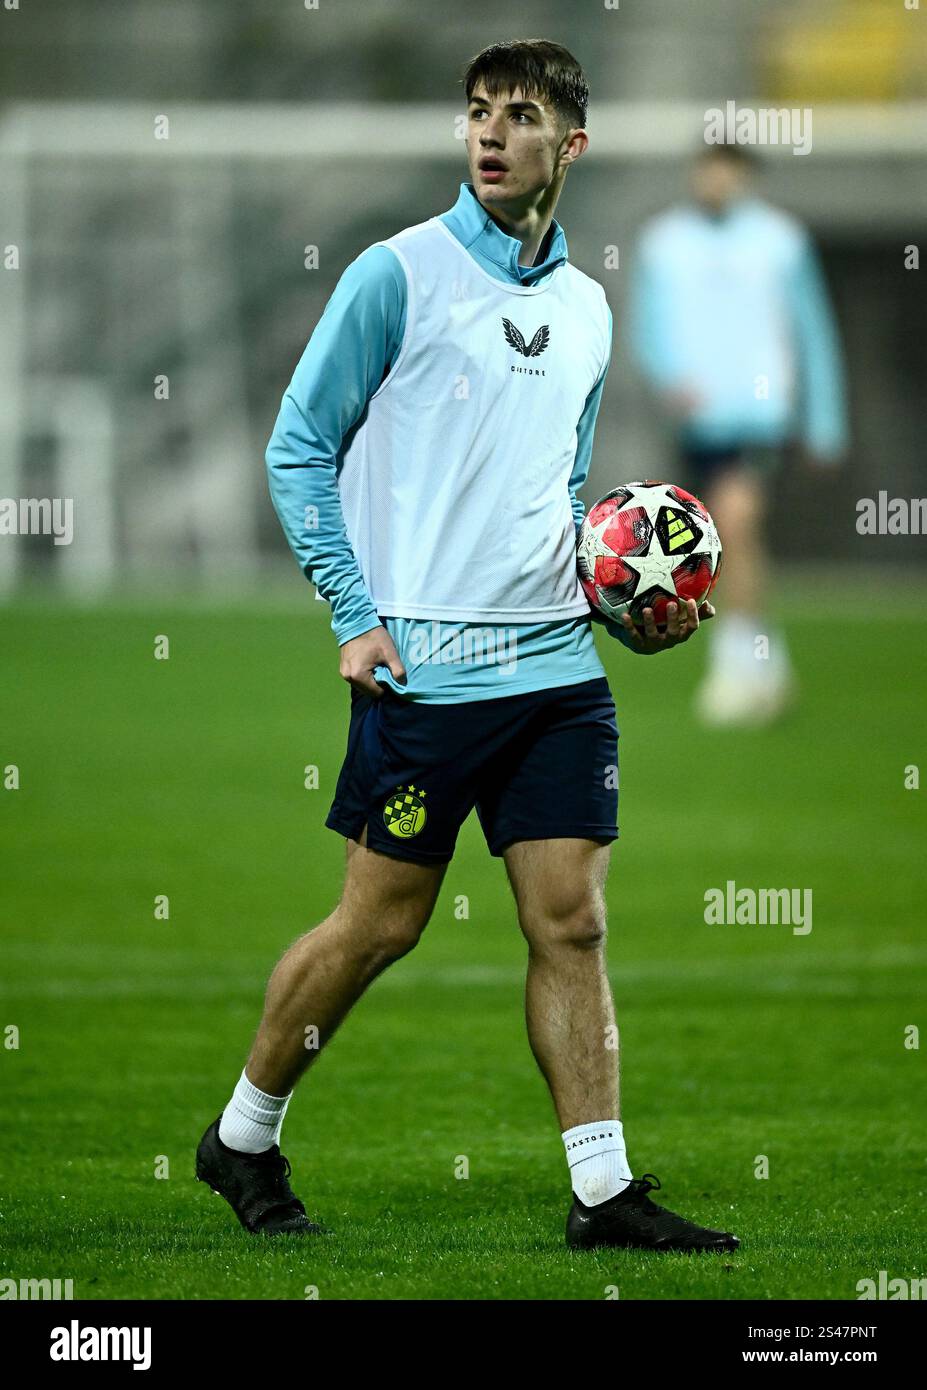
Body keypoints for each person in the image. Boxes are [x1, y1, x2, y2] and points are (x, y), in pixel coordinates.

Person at [195, 39, 736, 1254]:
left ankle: (603, 1193)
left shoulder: (591, 309)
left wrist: (630, 606)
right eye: (479, 113)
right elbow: (296, 448)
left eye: (521, 115)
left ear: (571, 147)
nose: (492, 133)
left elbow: (559, 497)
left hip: (555, 673)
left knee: (574, 922)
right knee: (379, 927)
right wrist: (352, 611)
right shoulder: (396, 277)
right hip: (424, 674)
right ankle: (241, 1132)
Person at [629, 142, 849, 726]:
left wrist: (824, 420)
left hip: (762, 412)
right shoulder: (664, 241)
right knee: (730, 538)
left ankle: (732, 669)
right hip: (699, 419)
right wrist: (668, 378)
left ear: (747, 178)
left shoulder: (780, 240)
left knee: (737, 521)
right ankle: (768, 662)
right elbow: (646, 326)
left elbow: (811, 328)